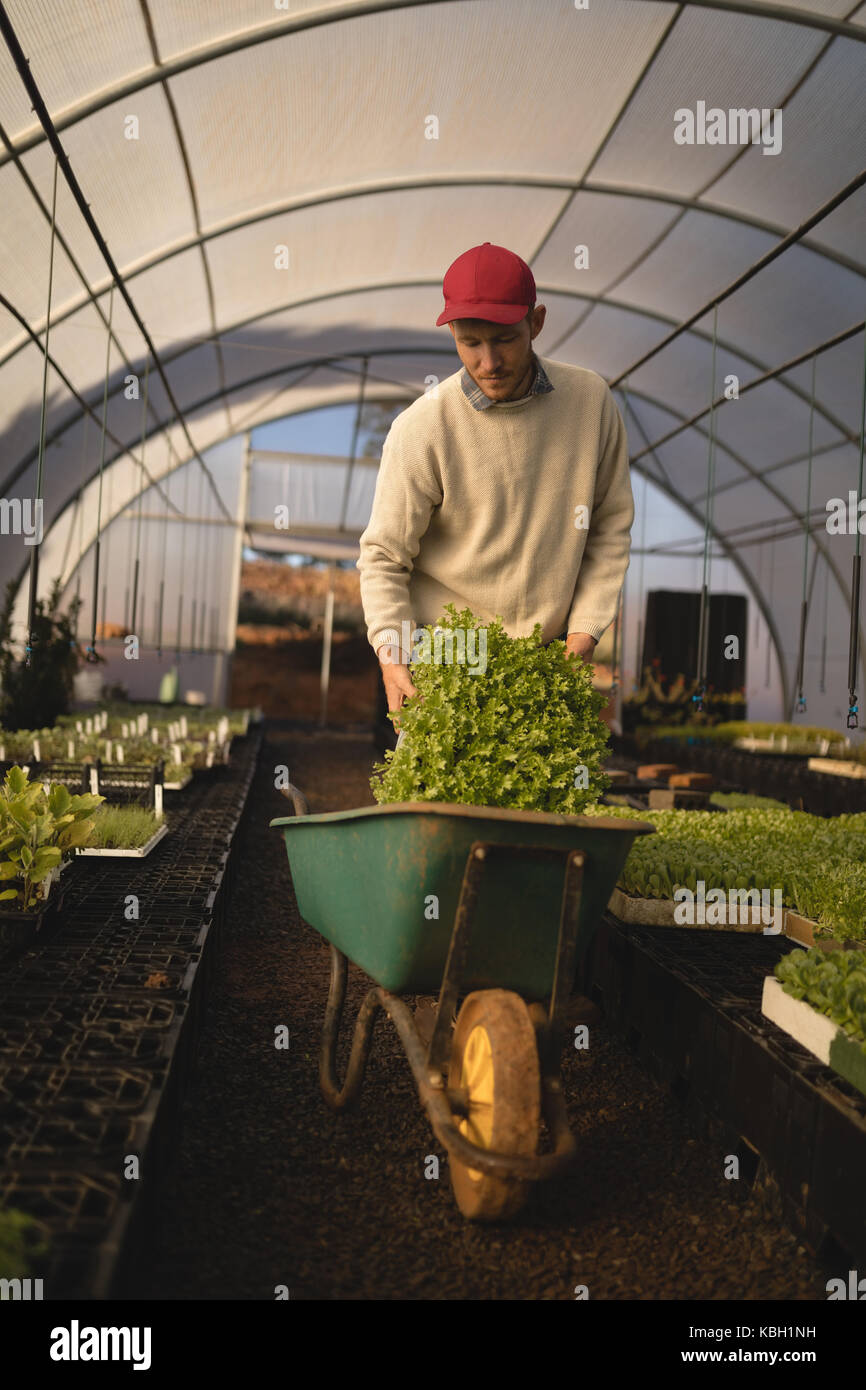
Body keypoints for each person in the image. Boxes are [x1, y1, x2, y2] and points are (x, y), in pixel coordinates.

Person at [358, 241, 634, 750]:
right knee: (434, 812)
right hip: (446, 661)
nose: (488, 361)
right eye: (470, 343)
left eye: (505, 339)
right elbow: (384, 558)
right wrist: (393, 658)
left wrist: (583, 637)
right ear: (452, 335)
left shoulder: (590, 402)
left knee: (543, 818)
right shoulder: (422, 429)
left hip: (549, 662)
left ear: (537, 321)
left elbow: (610, 528)